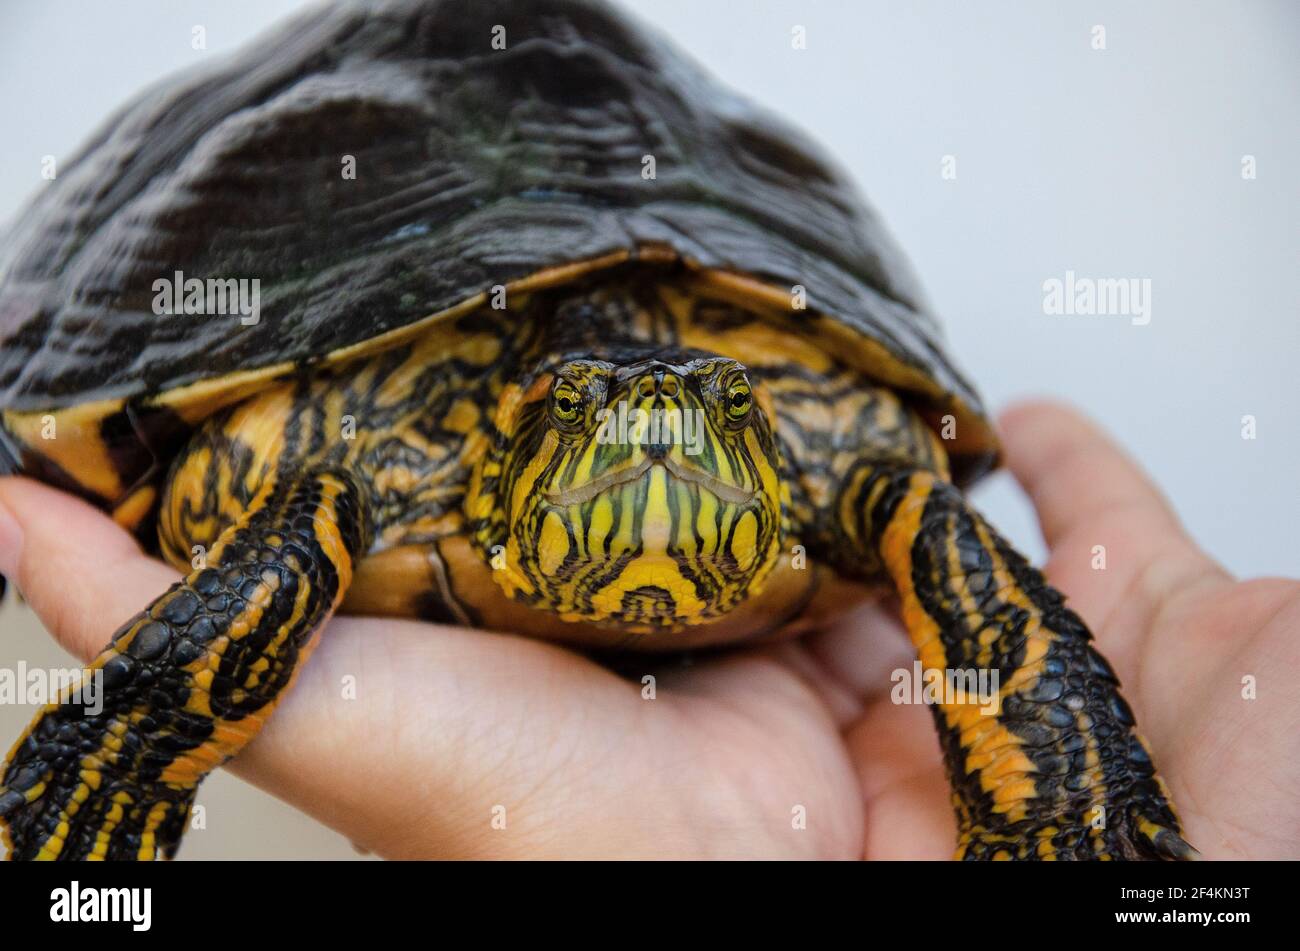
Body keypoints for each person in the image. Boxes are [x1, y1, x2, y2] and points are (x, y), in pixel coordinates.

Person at [0, 401, 1294, 859]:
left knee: (922, 518)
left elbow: (934, 525)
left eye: (709, 420)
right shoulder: (344, 464)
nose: (658, 436)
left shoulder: (852, 472)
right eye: (600, 423)